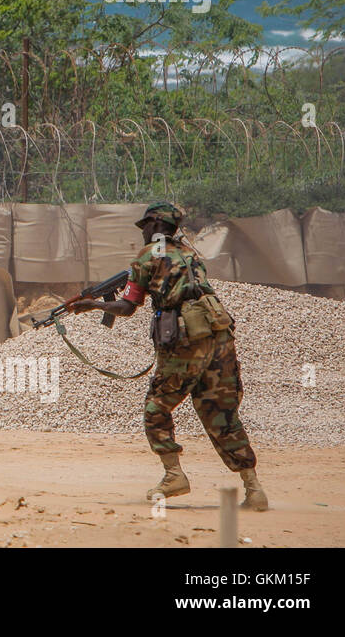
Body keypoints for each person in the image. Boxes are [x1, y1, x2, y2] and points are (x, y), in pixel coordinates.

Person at [69, 202, 268, 510]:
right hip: (219, 335)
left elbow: (127, 306)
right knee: (221, 414)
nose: (144, 232)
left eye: (146, 226)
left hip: (186, 339)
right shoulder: (190, 253)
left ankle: (174, 475)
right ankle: (254, 489)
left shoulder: (148, 255)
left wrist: (94, 305)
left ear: (155, 224)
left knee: (156, 407)